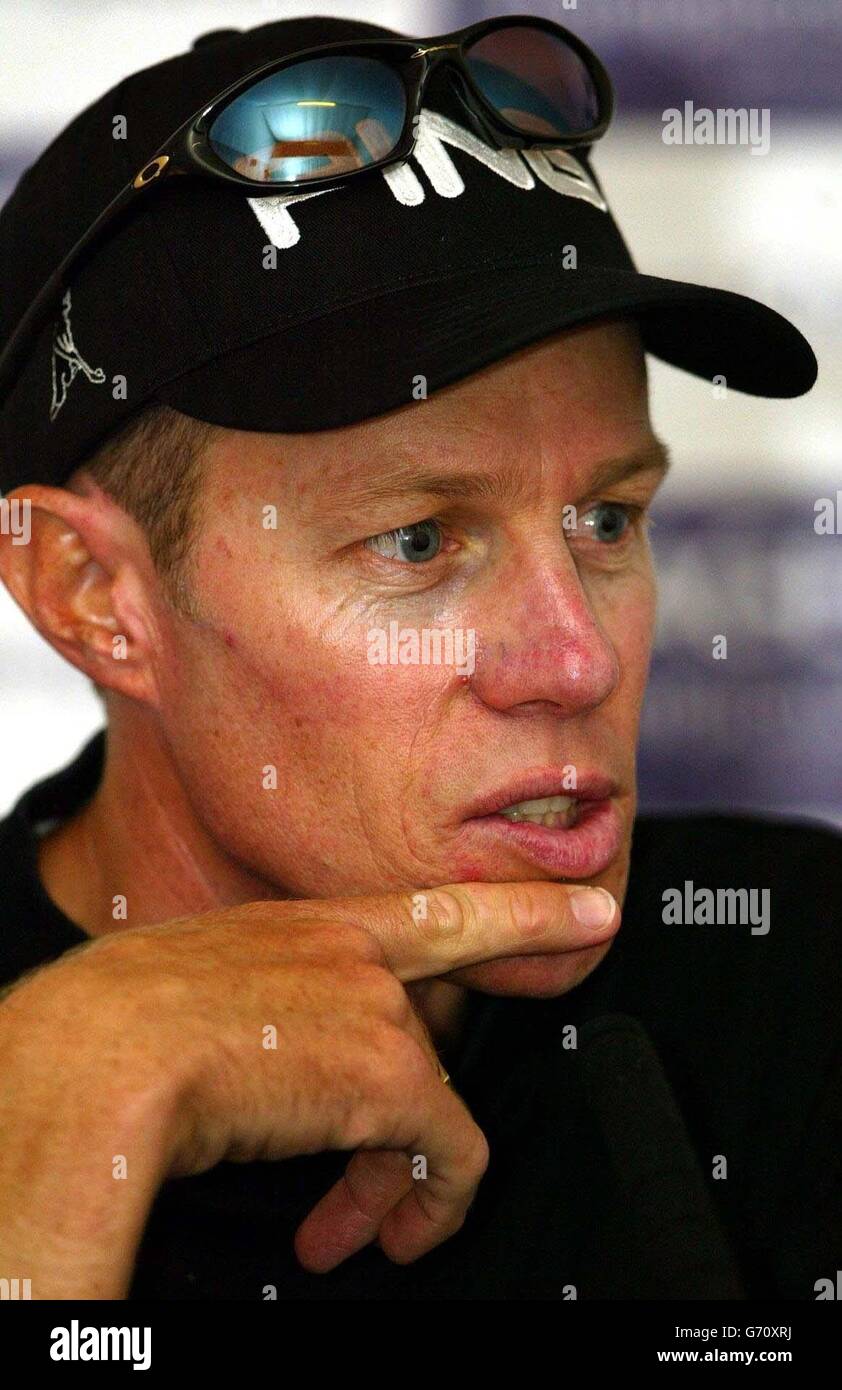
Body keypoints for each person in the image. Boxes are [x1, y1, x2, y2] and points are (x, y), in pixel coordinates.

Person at [0, 14, 837, 1302]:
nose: (573, 663)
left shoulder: (800, 977)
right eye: (417, 540)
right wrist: (49, 1160)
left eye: (607, 519)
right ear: (95, 593)